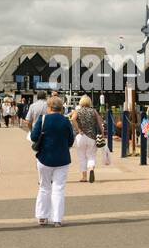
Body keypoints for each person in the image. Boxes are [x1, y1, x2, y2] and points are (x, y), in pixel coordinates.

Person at [30, 95, 73, 226]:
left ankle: (42, 216)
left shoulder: (43, 119)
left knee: (44, 187)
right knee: (58, 188)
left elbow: (33, 137)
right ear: (61, 108)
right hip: (62, 158)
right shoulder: (66, 121)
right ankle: (57, 219)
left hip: (44, 158)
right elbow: (71, 140)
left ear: (49, 107)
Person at [70, 94, 103, 183]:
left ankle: (84, 177)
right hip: (91, 136)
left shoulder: (77, 111)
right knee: (91, 156)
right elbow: (100, 123)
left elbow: (72, 119)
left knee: (82, 157)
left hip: (80, 137)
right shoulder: (94, 111)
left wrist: (78, 129)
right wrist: (102, 133)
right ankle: (91, 169)